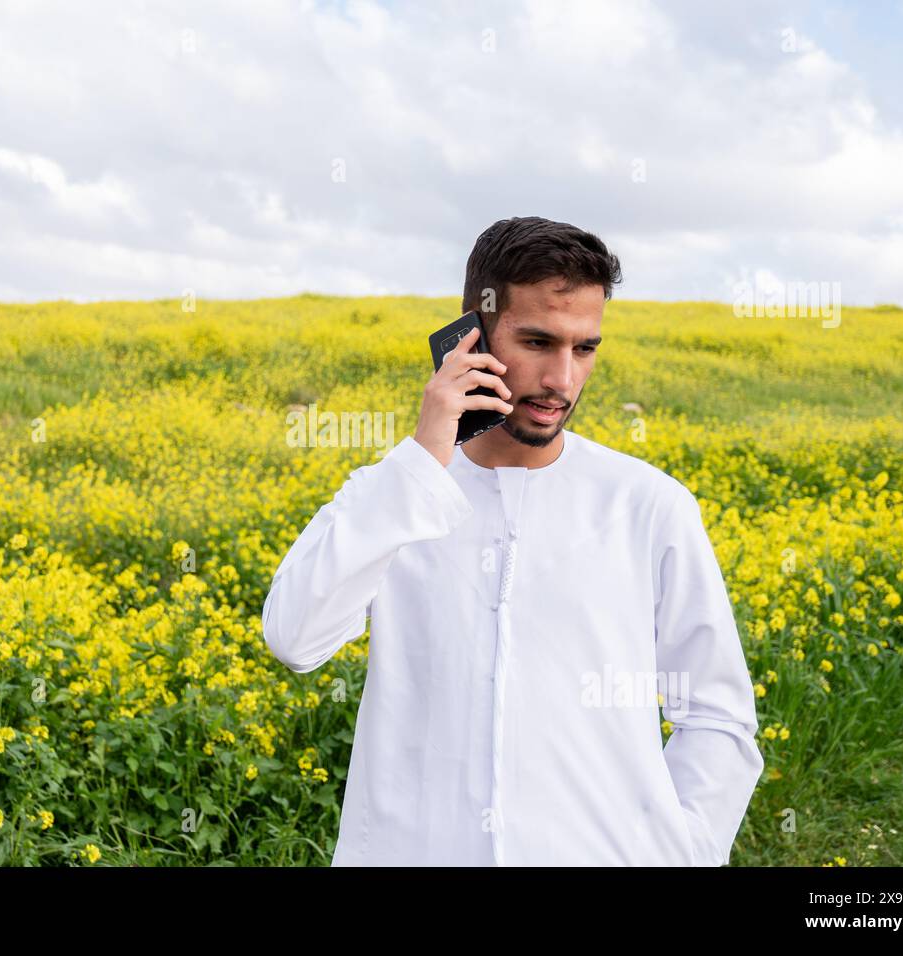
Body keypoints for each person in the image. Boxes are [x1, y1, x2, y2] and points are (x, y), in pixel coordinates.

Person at [261, 216, 763, 865]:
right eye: (537, 341)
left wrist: (684, 851)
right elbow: (294, 639)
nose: (562, 379)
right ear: (472, 334)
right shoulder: (396, 495)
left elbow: (717, 716)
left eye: (584, 348)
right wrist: (419, 462)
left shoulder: (649, 507)